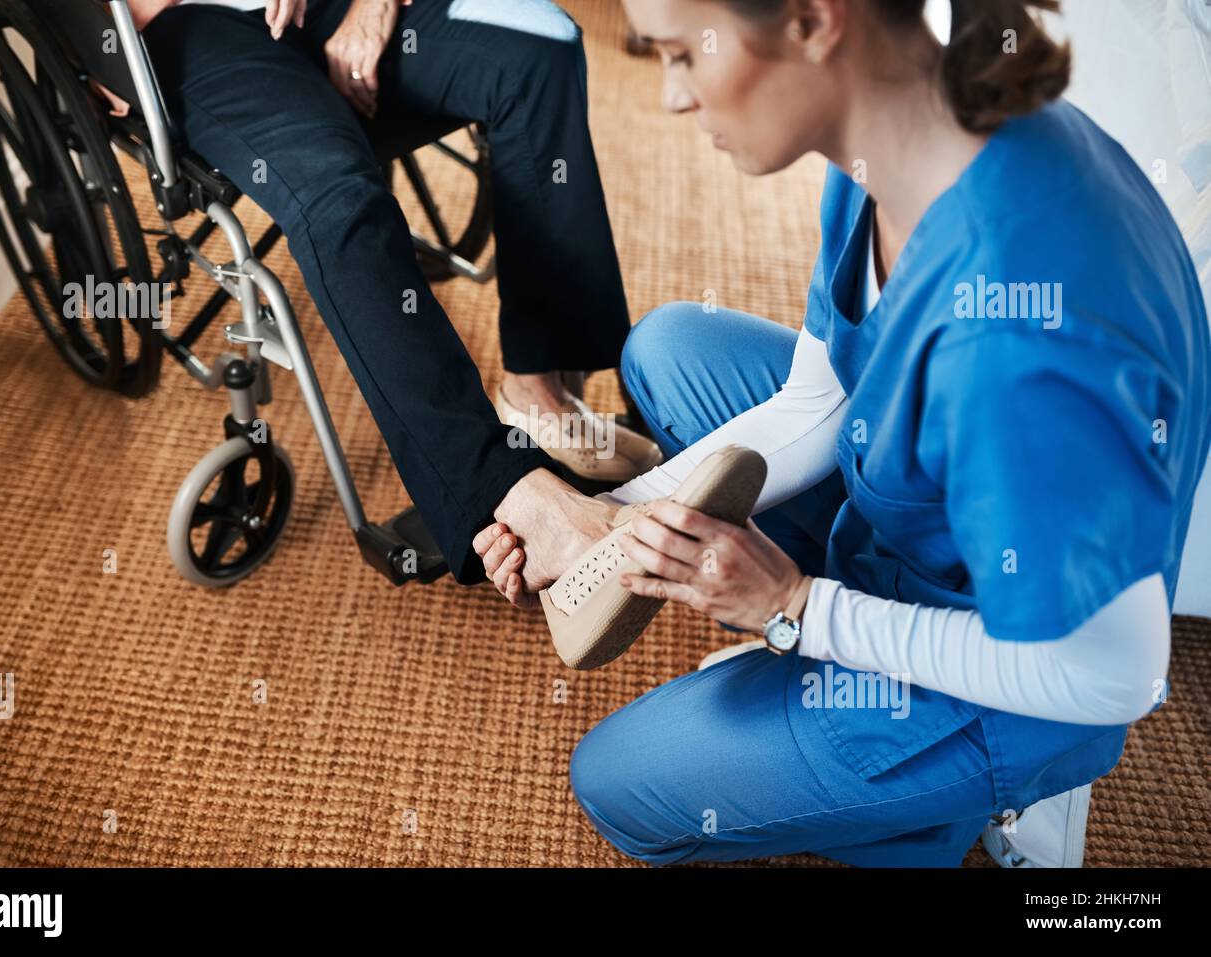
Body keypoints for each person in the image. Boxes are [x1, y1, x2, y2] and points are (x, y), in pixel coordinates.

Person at [476, 0, 1210, 866]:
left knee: (619, 785)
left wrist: (793, 608)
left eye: (685, 55)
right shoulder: (889, 131)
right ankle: (834, 708)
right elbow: (821, 402)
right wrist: (605, 515)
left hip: (1030, 664)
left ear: (813, 21)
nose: (672, 97)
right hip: (935, 523)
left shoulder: (1026, 335)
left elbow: (1111, 675)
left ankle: (946, 812)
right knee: (671, 347)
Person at [121, 0, 661, 586]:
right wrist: (98, 45)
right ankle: (506, 492)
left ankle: (539, 388)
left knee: (543, 45)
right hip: (197, 27)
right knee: (341, 199)